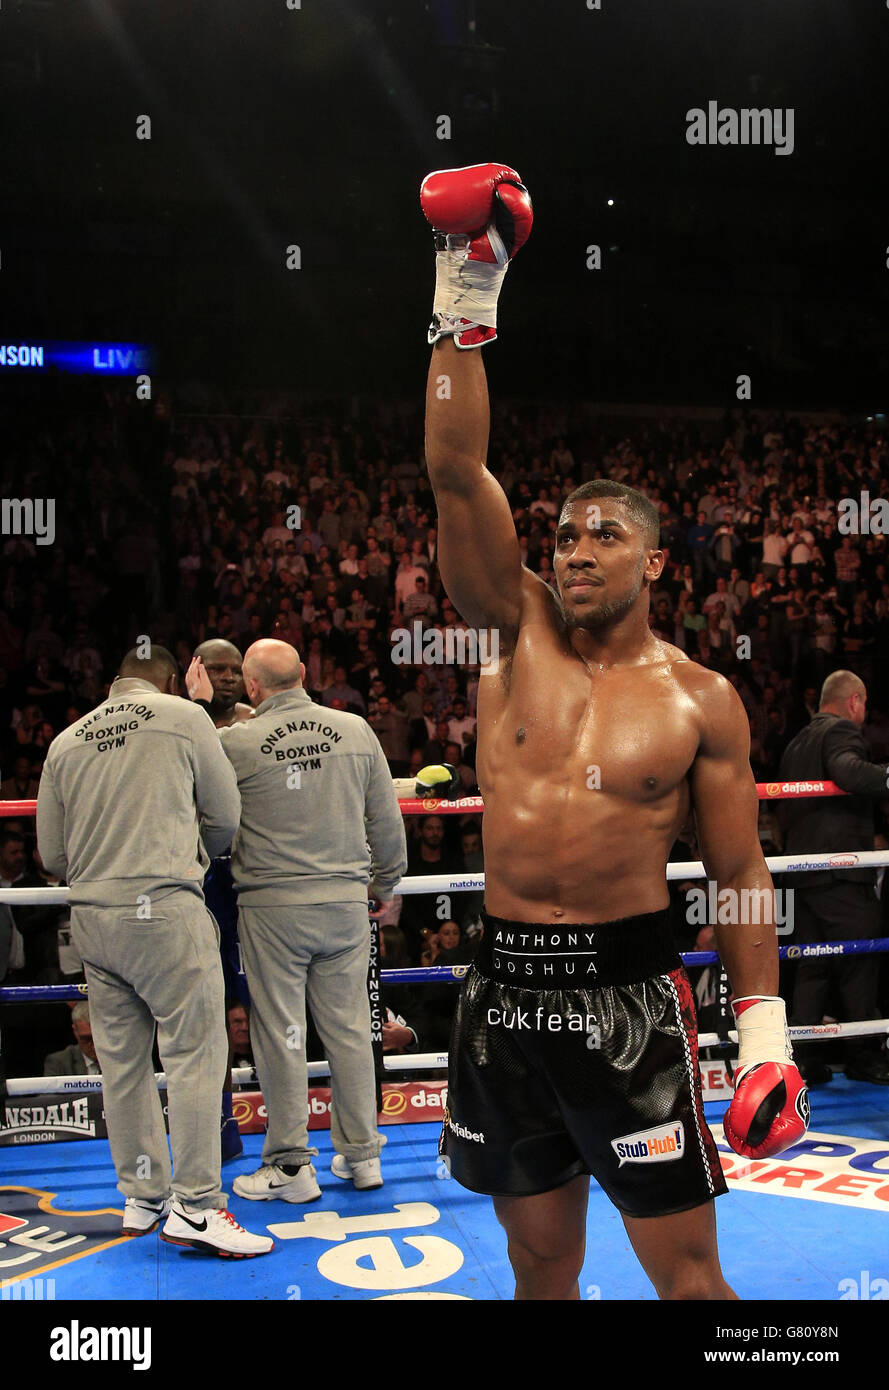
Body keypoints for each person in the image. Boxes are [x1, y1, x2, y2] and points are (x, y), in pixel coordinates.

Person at [421, 163, 807, 1301]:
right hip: (500, 993)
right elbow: (452, 465)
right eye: (565, 535)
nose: (575, 549)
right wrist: (465, 285)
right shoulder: (512, 631)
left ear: (654, 561)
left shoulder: (699, 701)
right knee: (539, 1263)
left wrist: (767, 1033)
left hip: (629, 1006)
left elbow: (738, 869)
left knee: (686, 1279)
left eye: (602, 536)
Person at [36, 644, 272, 1257]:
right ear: (172, 680)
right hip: (164, 908)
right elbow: (224, 819)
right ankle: (196, 1206)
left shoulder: (65, 741)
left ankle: (143, 1195)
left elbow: (52, 856)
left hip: (94, 919)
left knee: (122, 1062)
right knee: (194, 1053)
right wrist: (185, 850)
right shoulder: (185, 717)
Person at [186, 638, 407, 1199]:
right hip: (343, 904)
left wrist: (199, 704)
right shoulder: (355, 729)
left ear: (253, 688)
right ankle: (362, 1157)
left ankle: (290, 1166)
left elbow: (199, 808)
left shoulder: (234, 742)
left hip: (272, 907)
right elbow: (387, 824)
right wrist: (383, 885)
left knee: (281, 1033)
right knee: (352, 1030)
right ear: (305, 673)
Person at [778, 669, 889, 1086]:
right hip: (838, 872)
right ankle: (863, 1054)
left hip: (801, 874)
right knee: (859, 958)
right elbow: (848, 771)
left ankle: (801, 1057)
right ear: (854, 701)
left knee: (813, 964)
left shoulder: (796, 742)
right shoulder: (841, 731)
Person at [192, 639, 253, 1157]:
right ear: (196, 672)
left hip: (252, 876)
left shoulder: (259, 721)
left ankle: (285, 1140)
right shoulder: (176, 724)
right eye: (217, 669)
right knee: (205, 1009)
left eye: (236, 669)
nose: (229, 677)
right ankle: (218, 1128)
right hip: (194, 879)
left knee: (262, 1006)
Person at [44, 1001, 100, 1077]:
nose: (94, 1047)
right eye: (86, 1039)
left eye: (98, 1038)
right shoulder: (59, 1063)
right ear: (75, 1031)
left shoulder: (119, 1057)